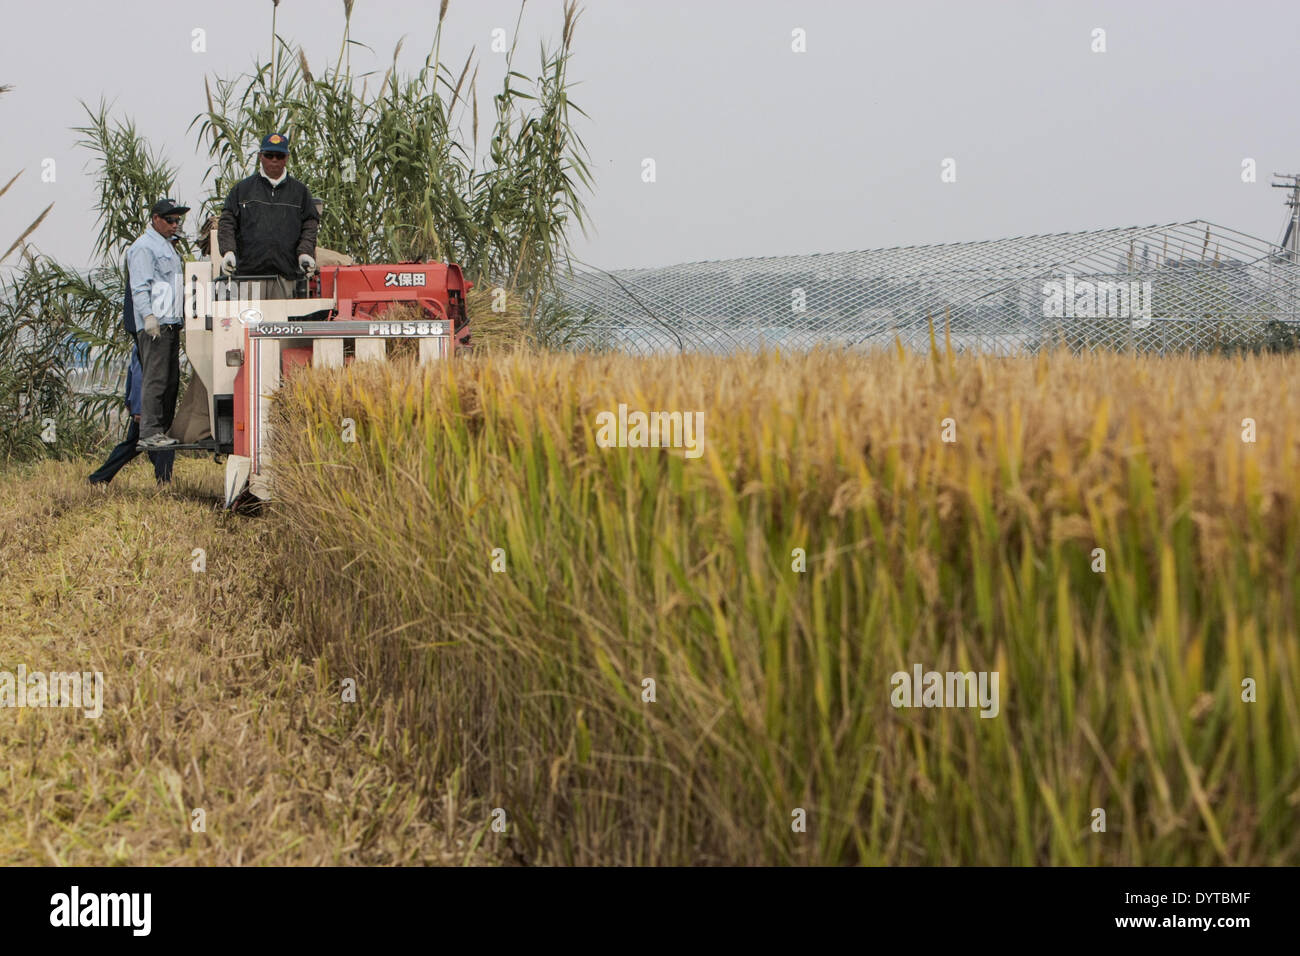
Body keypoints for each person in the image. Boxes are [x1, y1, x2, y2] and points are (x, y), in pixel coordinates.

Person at [217, 132, 319, 300]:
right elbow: (227, 222)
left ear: (286, 158)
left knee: (282, 325)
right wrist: (228, 251)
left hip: (285, 278)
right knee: (248, 325)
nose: (274, 160)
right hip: (248, 279)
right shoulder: (242, 190)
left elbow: (310, 224)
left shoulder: (300, 192)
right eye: (269, 155)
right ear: (260, 156)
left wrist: (305, 253)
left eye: (279, 155)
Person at [128, 198, 189, 450]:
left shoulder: (167, 247)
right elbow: (140, 286)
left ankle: (160, 429)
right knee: (155, 379)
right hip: (156, 324)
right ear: (155, 219)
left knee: (170, 380)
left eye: (178, 220)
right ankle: (150, 431)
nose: (175, 225)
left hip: (171, 322)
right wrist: (148, 317)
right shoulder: (144, 247)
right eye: (170, 220)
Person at [87, 342, 175, 486]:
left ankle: (98, 478)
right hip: (148, 406)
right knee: (164, 443)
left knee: (132, 445)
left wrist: (130, 400)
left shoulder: (140, 343)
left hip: (144, 405)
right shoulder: (151, 344)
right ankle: (164, 482)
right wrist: (139, 408)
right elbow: (139, 376)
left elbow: (132, 372)